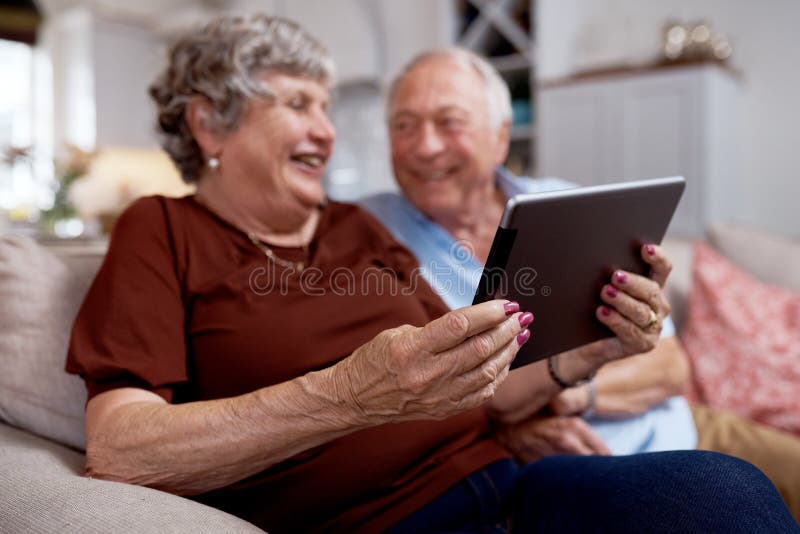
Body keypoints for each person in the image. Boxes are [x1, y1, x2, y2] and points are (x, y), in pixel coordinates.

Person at [65, 15, 797, 534]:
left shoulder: (358, 226)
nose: (326, 129)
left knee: (721, 490)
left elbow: (481, 381)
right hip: (386, 521)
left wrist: (588, 351)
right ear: (209, 125)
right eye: (297, 104)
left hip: (514, 486)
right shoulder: (161, 230)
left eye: (326, 106)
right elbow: (122, 448)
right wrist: (347, 397)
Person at [361, 46, 800, 520]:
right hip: (583, 465)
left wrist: (564, 396)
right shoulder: (368, 233)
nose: (425, 146)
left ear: (500, 136)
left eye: (450, 122)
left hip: (684, 427)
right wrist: (507, 429)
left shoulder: (568, 203)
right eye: (404, 125)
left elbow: (670, 366)